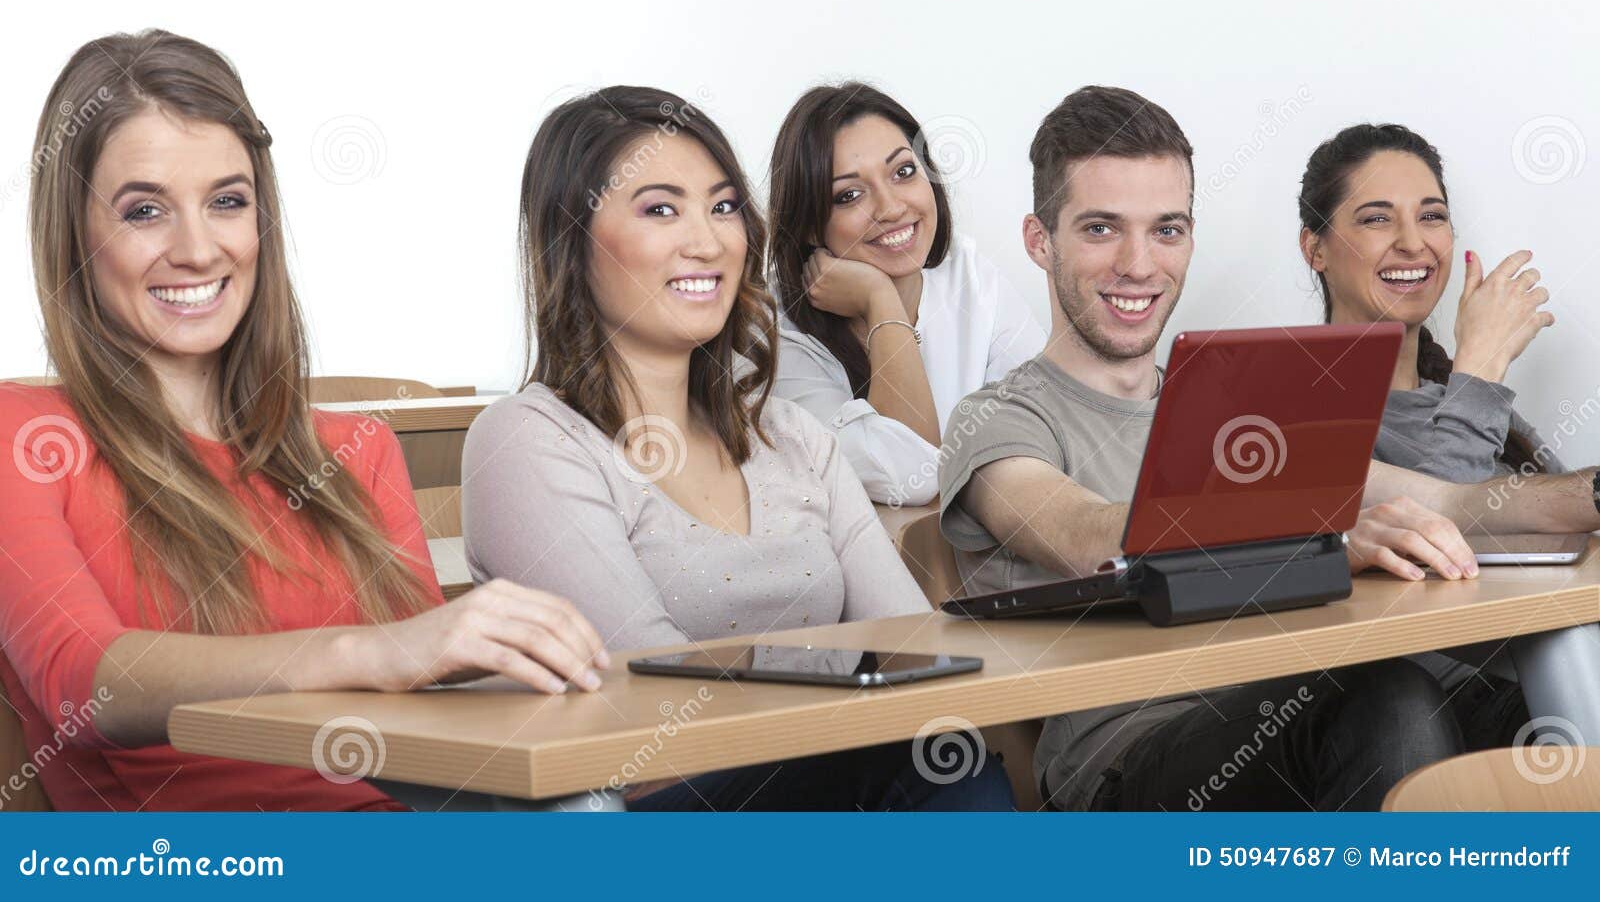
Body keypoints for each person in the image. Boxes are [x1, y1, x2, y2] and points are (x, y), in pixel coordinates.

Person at [938, 85, 1600, 811]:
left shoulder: (1242, 410)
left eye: (1166, 229)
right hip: (1133, 762)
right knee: (1389, 694)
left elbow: (1450, 502)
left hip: (1298, 705)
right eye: (1101, 229)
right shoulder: (998, 420)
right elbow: (1088, 539)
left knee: (1550, 719)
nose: (1137, 263)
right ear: (1040, 240)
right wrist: (1318, 536)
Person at [0, 31, 609, 812]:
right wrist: (372, 650)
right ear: (74, 235)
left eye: (227, 201)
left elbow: (434, 721)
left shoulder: (355, 448)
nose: (197, 248)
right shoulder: (26, 438)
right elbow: (85, 683)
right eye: (144, 210)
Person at [462, 85, 1013, 811]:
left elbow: (921, 651)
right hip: (663, 819)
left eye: (723, 207)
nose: (709, 239)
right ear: (572, 239)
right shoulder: (528, 441)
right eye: (661, 208)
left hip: (833, 786)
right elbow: (655, 703)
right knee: (925, 760)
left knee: (949, 756)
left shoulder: (793, 438)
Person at [767, 83, 1045, 505]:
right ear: (807, 224)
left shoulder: (966, 272)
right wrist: (879, 301)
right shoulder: (773, 332)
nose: (892, 208)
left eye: (903, 172)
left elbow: (1046, 427)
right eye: (849, 195)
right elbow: (910, 478)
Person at [1299, 122, 1560, 481]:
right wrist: (1478, 371)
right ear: (1315, 250)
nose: (1412, 243)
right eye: (1377, 218)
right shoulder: (1293, 422)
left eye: (1431, 216)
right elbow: (1430, 528)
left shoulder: (1472, 402)